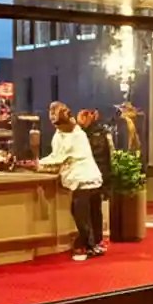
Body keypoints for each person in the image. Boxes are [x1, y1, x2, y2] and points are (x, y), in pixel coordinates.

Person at [39, 101, 104, 261]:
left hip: (81, 179)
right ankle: (96, 243)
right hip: (93, 177)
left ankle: (89, 247)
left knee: (80, 213)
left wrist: (37, 164)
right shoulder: (78, 132)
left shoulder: (65, 136)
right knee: (94, 212)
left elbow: (57, 158)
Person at [78, 108, 113, 249]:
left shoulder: (94, 134)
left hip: (95, 175)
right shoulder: (82, 134)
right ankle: (96, 240)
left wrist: (106, 181)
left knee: (93, 209)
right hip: (95, 175)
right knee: (94, 209)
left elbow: (104, 158)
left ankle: (95, 240)